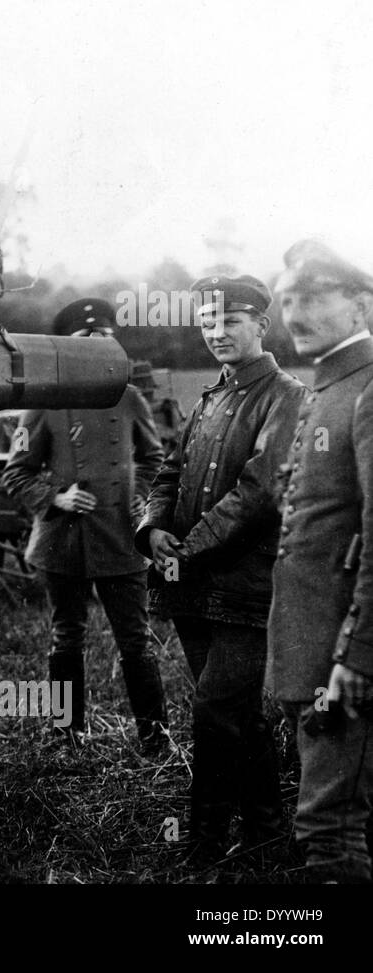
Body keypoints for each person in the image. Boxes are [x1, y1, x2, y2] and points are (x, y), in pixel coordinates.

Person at [136, 275, 306, 863]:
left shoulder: (287, 397)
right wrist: (154, 527)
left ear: (262, 325)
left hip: (246, 587)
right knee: (235, 715)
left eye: (231, 321)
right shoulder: (209, 399)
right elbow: (169, 473)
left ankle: (204, 843)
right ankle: (264, 830)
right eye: (208, 321)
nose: (217, 333)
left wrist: (188, 549)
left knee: (213, 710)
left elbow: (259, 494)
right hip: (193, 583)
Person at [3, 298, 168, 754]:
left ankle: (157, 737)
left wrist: (142, 499)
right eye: (84, 339)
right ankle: (67, 733)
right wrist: (56, 497)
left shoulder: (130, 398)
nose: (96, 345)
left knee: (136, 639)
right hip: (63, 540)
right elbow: (16, 471)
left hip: (121, 536)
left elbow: (155, 458)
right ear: (67, 348)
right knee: (65, 634)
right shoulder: (44, 401)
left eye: (104, 336)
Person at [268, 240, 373, 882]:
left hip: (345, 654)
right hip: (317, 645)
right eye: (286, 299)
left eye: (311, 297)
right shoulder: (331, 387)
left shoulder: (365, 389)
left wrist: (358, 654)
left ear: (359, 307)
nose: (293, 312)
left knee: (330, 834)